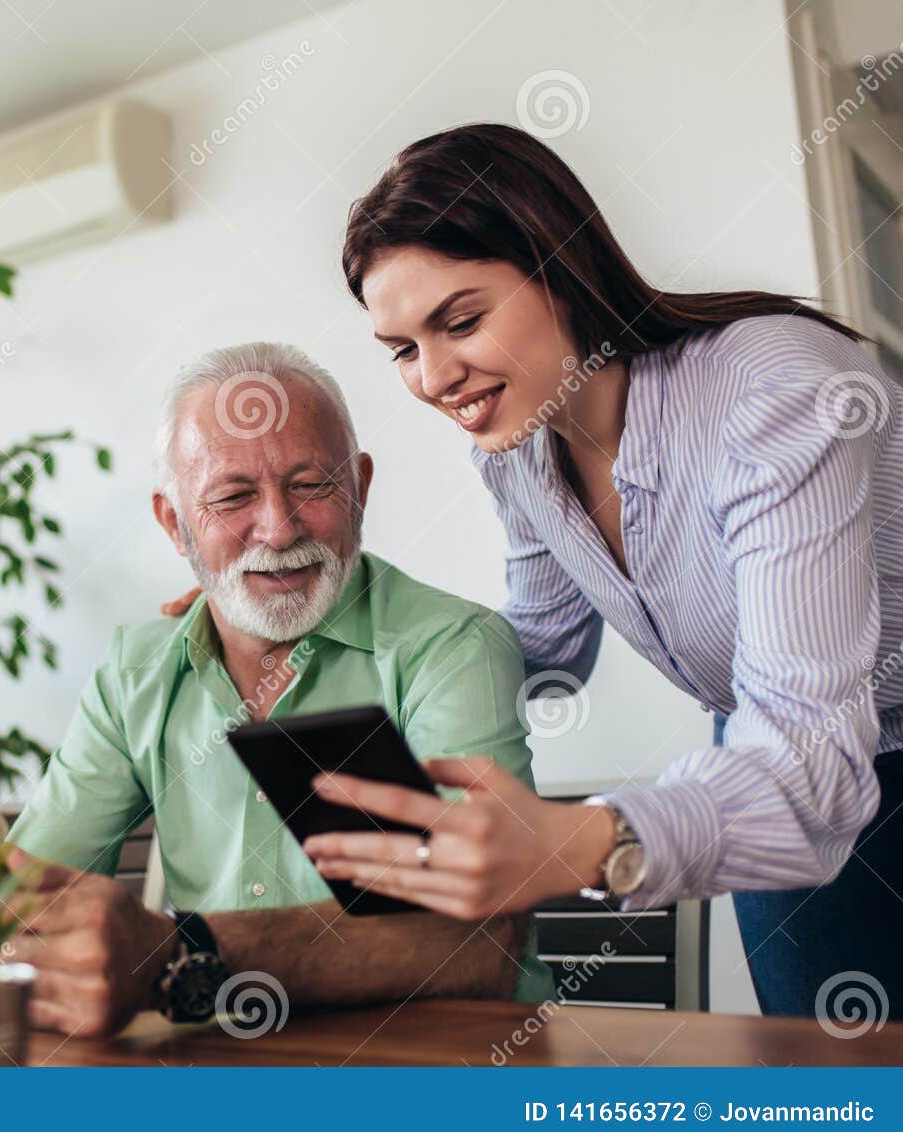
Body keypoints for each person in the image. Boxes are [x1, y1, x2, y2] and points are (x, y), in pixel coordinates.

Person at [0, 342, 551, 1030]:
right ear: (174, 524)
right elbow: (19, 894)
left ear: (361, 487)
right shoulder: (139, 668)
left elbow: (480, 941)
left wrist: (183, 950)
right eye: (233, 496)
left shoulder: (453, 647)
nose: (278, 526)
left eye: (311, 484)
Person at [301, 121, 903, 1018]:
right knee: (830, 1095)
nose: (432, 378)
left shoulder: (773, 393)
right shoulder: (517, 452)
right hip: (776, 753)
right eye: (402, 348)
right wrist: (315, 628)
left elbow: (812, 754)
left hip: (808, 752)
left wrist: (578, 839)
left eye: (460, 321)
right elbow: (541, 649)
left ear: (562, 267)